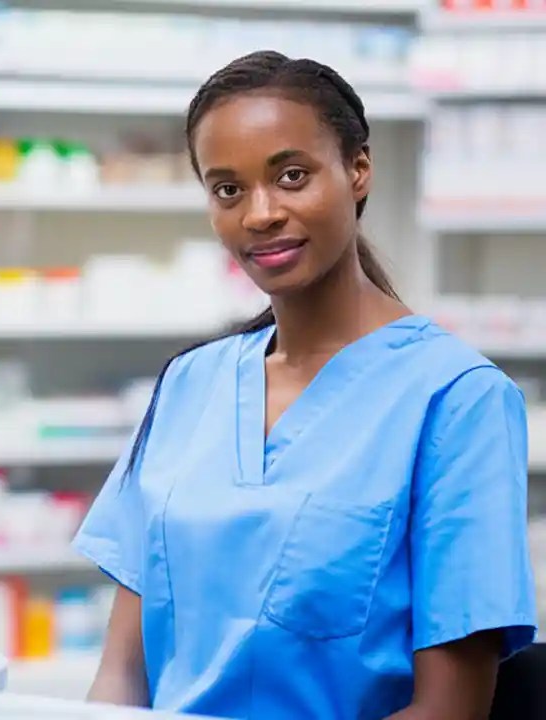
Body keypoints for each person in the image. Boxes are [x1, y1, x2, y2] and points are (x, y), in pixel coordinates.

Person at [72, 50, 538, 719]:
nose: (259, 213)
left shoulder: (457, 399)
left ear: (357, 170)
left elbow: (449, 711)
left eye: (291, 176)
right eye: (227, 189)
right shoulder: (190, 383)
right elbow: (120, 677)